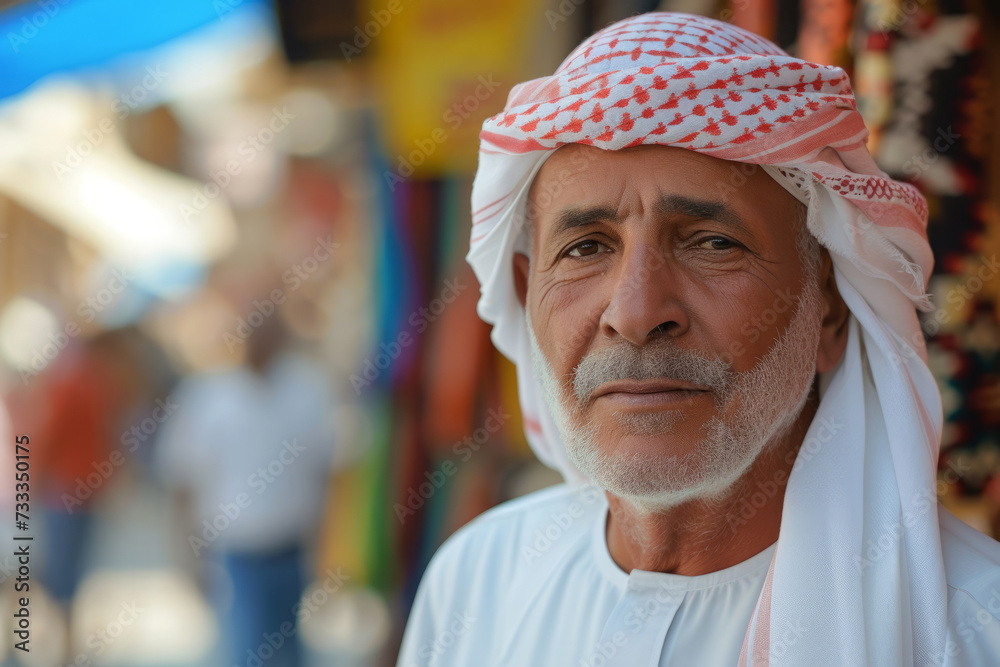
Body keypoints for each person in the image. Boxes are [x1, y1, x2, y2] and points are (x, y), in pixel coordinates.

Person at [397, 12, 1000, 667]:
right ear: (524, 292)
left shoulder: (968, 632)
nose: (635, 312)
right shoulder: (474, 584)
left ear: (827, 302)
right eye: (586, 247)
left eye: (712, 243)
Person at [156, 315, 337, 667]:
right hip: (237, 553)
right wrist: (186, 554)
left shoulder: (306, 392)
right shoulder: (208, 397)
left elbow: (326, 474)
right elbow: (183, 482)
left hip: (291, 548)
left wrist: (327, 550)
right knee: (251, 649)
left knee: (288, 652)